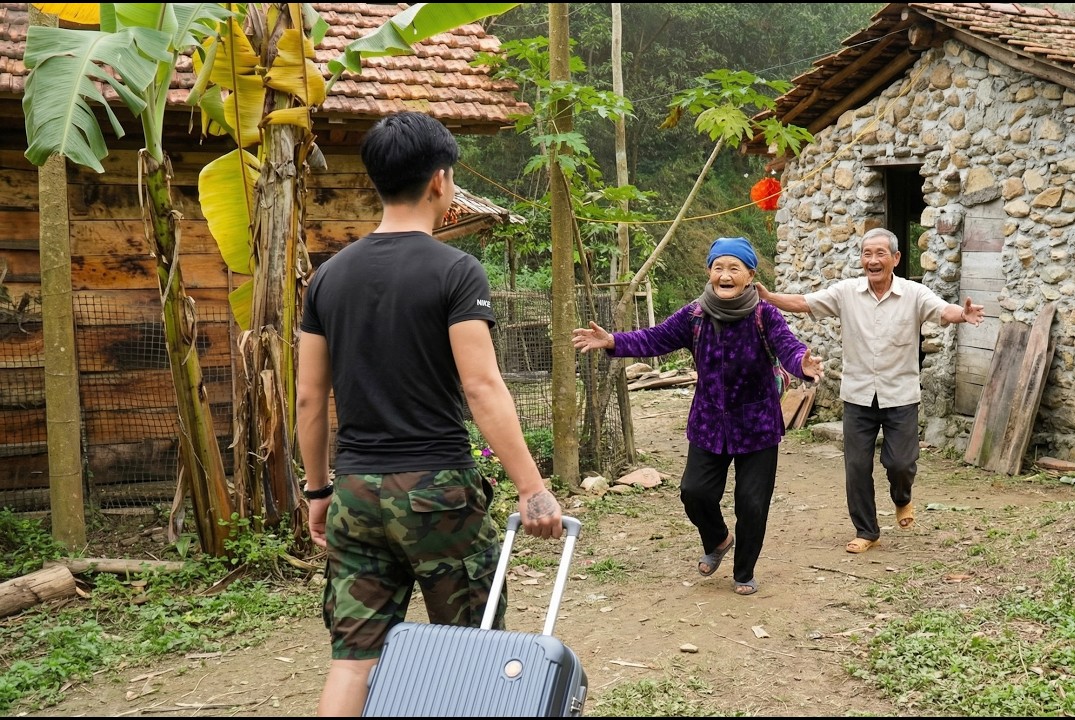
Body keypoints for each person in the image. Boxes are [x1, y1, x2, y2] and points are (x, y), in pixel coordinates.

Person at [296, 111, 564, 716]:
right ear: (441, 181)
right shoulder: (455, 270)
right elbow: (481, 385)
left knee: (354, 657)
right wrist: (532, 488)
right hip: (437, 493)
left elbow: (310, 397)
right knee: (469, 650)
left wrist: (318, 490)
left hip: (356, 492)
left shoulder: (328, 277)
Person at [572, 237, 822, 596]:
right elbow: (655, 338)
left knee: (752, 502)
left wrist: (802, 363)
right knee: (694, 492)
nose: (725, 274)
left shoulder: (764, 314)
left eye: (734, 268)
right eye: (718, 267)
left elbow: (788, 346)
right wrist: (613, 341)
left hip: (757, 425)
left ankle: (743, 570)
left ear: (750, 275)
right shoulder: (694, 315)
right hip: (709, 422)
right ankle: (718, 539)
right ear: (708, 272)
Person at [756, 227, 984, 554]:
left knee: (901, 463)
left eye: (880, 254)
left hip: (900, 396)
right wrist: (769, 298)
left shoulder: (914, 294)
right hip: (859, 396)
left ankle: (902, 498)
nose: (873, 260)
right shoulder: (847, 292)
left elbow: (942, 310)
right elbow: (805, 303)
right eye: (867, 254)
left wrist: (962, 314)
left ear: (896, 258)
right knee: (857, 467)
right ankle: (867, 530)